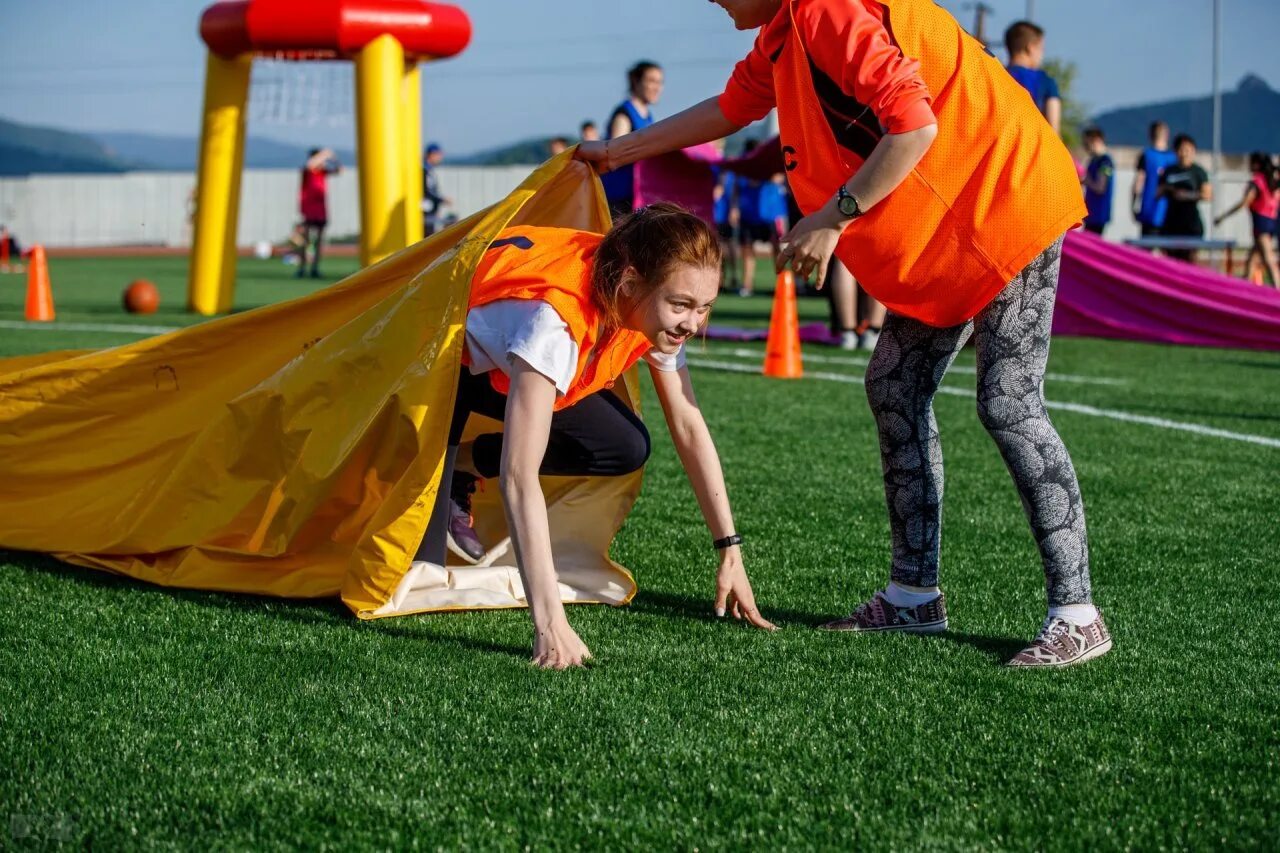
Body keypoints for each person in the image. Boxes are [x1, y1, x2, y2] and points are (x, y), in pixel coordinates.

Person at [579, 0, 1110, 668]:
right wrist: (614, 153)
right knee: (893, 385)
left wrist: (832, 217)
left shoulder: (825, 8)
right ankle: (915, 596)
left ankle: (1077, 612)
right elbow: (731, 108)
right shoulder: (785, 34)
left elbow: (914, 124)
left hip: (1006, 203)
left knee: (1008, 402)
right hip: (947, 230)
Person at [414, 204, 775, 668]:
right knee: (418, 575)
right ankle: (438, 468)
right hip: (438, 356)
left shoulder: (645, 309)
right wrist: (551, 624)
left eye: (704, 307)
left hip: (504, 358)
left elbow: (687, 422)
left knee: (623, 443)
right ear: (629, 284)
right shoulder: (555, 322)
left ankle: (461, 463)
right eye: (681, 305)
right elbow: (519, 476)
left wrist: (730, 550)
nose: (694, 323)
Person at [600, 61, 664, 217]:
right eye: (651, 81)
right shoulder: (624, 114)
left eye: (660, 82)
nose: (657, 87)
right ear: (636, 81)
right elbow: (616, 152)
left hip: (636, 195)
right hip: (618, 196)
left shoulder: (648, 116)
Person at [1215, 151, 1280, 287]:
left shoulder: (1257, 182)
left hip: (1261, 224)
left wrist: (1222, 216)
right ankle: (1245, 286)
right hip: (1271, 222)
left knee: (1269, 261)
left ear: (1256, 164)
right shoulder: (1271, 182)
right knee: (1252, 259)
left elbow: (1244, 203)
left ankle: (1277, 292)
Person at [1157, 134, 1212, 263]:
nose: (1184, 154)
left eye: (1188, 150)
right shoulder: (1169, 171)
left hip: (1191, 224)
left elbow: (1207, 194)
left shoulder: (1198, 172)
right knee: (1171, 261)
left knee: (1190, 261)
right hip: (1171, 223)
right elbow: (1157, 193)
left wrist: (1187, 195)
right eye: (1181, 150)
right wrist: (1169, 189)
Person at [1004, 20, 1061, 135]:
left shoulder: (997, 76)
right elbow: (1053, 131)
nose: (1042, 55)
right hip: (1031, 149)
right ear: (1031, 48)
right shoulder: (1045, 81)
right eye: (1041, 49)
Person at [297, 147, 341, 279]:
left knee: (319, 240)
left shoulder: (322, 172)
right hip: (309, 210)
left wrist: (334, 159)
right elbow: (311, 164)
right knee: (306, 240)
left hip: (321, 210)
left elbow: (339, 170)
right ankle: (302, 268)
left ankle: (314, 268)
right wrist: (325, 154)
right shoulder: (307, 171)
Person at [1133, 121, 1177, 236]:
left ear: (1150, 135)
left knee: (1146, 250)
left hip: (1149, 211)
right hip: (1170, 214)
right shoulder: (1174, 158)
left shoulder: (1146, 155)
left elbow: (1138, 183)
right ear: (1167, 135)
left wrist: (1133, 205)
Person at [1081, 127, 1115, 236]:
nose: (1086, 148)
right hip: (1091, 213)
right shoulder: (1093, 160)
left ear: (1096, 140)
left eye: (1087, 144)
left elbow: (1100, 187)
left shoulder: (1105, 162)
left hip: (1099, 214)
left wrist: (1087, 181)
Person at [422, 143, 452, 236]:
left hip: (430, 212)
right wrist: (441, 200)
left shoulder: (429, 170)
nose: (440, 158)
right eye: (439, 155)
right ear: (432, 154)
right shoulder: (425, 170)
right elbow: (427, 191)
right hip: (426, 212)